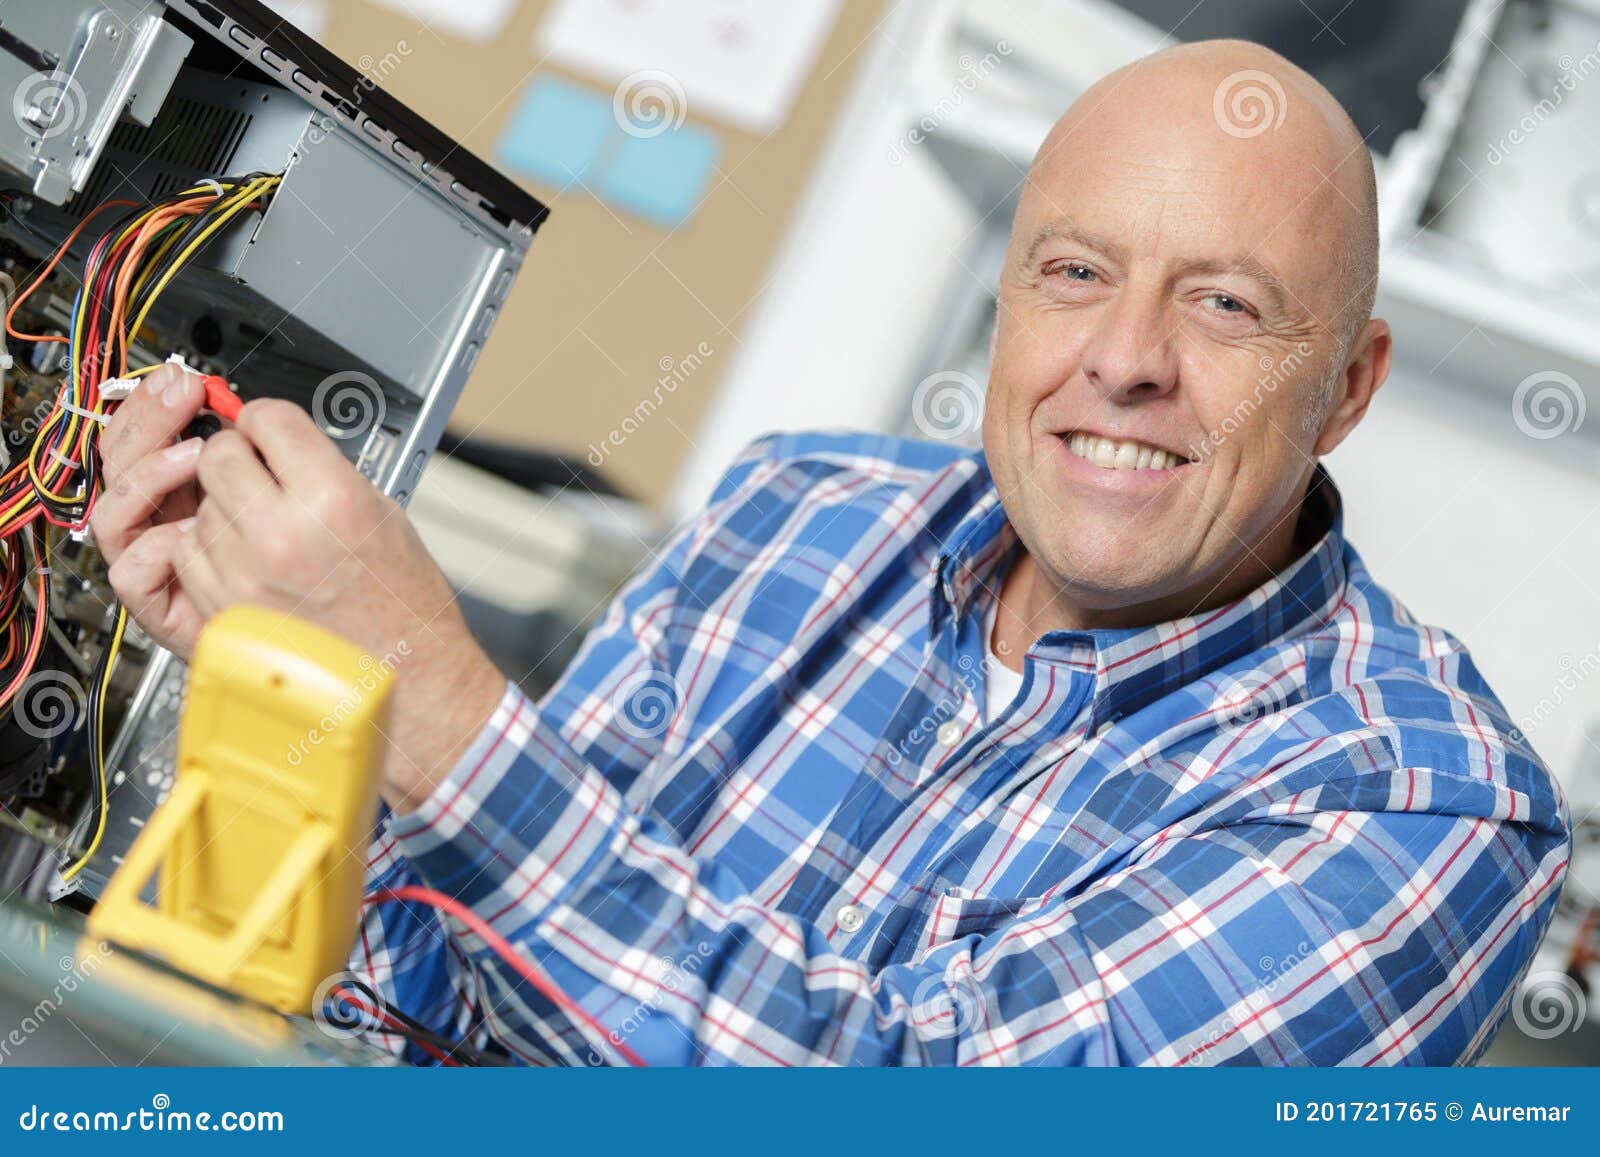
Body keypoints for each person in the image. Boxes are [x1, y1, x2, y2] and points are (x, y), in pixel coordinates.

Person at [92, 39, 1569, 1065]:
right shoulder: (800, 509)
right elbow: (427, 979)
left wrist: (427, 697)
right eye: (1074, 273)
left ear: (1350, 387)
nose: (1124, 361)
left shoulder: (1423, 804)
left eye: (1226, 307)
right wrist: (293, 679)